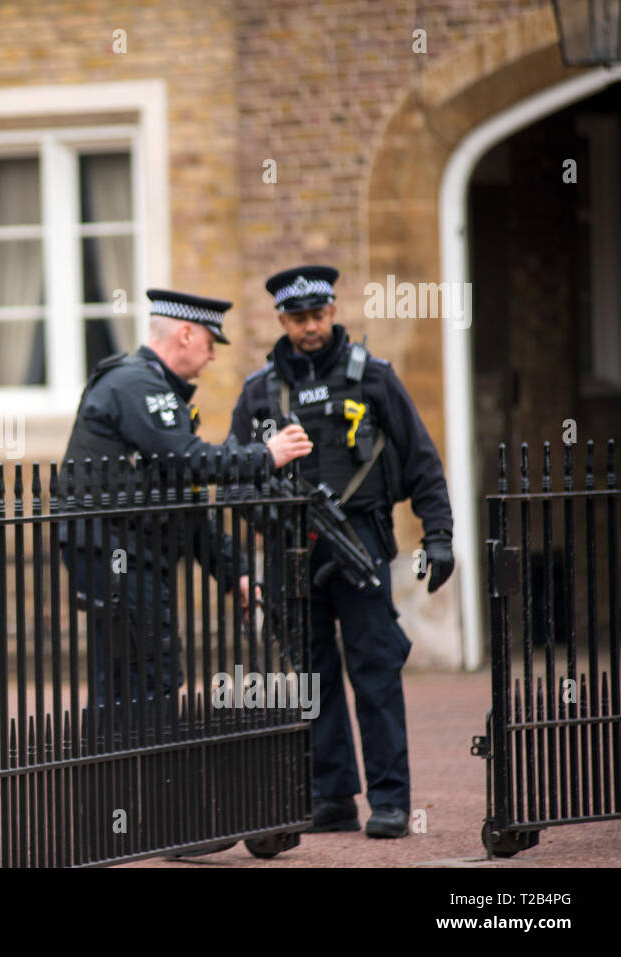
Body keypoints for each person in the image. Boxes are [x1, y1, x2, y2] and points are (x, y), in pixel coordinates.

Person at [228, 265, 454, 839]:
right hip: (291, 552)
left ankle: (390, 799)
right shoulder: (260, 391)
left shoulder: (372, 377)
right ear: (282, 319)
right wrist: (271, 515)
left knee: (375, 670)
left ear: (332, 312)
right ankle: (330, 796)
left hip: (360, 542)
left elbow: (421, 457)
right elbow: (234, 476)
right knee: (311, 677)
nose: (310, 327)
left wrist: (438, 537)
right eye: (299, 318)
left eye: (319, 315)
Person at [59, 288, 312, 711]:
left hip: (132, 551)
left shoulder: (153, 388)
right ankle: (128, 773)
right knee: (142, 679)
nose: (212, 356)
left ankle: (122, 771)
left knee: (135, 679)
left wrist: (235, 573)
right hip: (117, 553)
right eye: (211, 343)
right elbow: (189, 462)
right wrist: (265, 455)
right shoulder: (136, 384)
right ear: (186, 334)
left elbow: (185, 500)